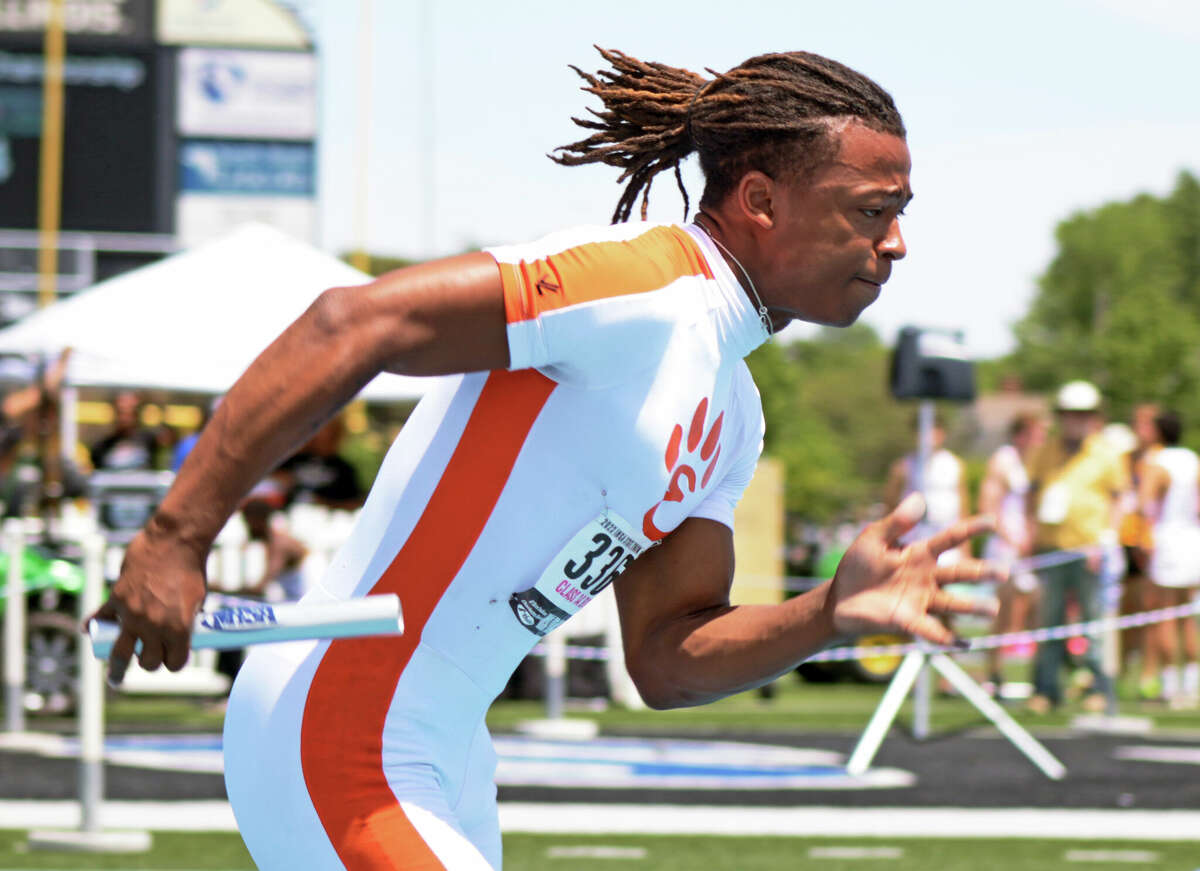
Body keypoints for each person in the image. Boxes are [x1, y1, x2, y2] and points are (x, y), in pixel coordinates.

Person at [93, 48, 1001, 869]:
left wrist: (829, 611)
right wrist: (175, 535)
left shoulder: (735, 412)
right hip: (339, 723)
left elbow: (663, 659)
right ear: (761, 201)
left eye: (900, 214)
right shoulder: (642, 284)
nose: (896, 243)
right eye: (872, 211)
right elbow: (351, 321)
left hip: (446, 746)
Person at [1026, 380, 1128, 714]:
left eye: (1083, 414)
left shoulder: (1106, 454)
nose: (1076, 420)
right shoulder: (1045, 451)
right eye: (1070, 414)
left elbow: (1117, 501)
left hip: (1089, 551)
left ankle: (1097, 689)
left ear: (1093, 417)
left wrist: (1106, 541)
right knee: (1048, 622)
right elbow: (1032, 494)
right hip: (1050, 548)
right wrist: (1030, 537)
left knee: (1093, 623)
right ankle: (1046, 690)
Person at [1137, 410, 1200, 708]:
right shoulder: (1192, 459)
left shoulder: (1157, 463)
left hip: (1168, 541)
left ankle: (1171, 683)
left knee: (1163, 615)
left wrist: (1142, 540)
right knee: (1187, 616)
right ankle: (1191, 682)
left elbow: (1143, 504)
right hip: (1192, 540)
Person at [979, 412, 1045, 695]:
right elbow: (989, 507)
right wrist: (1011, 539)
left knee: (1036, 610)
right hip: (1005, 548)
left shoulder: (1035, 462)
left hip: (1028, 549)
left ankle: (1039, 675)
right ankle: (993, 672)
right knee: (1002, 613)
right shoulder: (1003, 461)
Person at [884, 411, 971, 564]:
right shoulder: (903, 466)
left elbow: (963, 510)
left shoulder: (955, 464)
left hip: (947, 546)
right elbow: (890, 506)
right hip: (913, 543)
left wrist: (966, 550)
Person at [89, 390, 163, 471]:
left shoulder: (151, 441)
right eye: (121, 412)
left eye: (131, 412)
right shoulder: (102, 446)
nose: (125, 418)